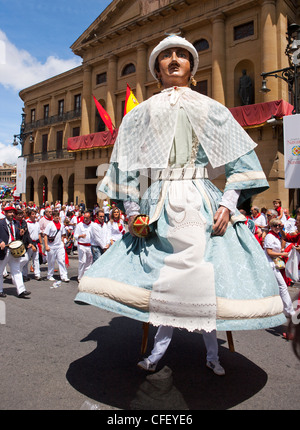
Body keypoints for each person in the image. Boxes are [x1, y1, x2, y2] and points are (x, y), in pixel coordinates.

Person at [75, 35, 286, 375]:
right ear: (157, 70)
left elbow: (242, 164)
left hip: (201, 198)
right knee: (165, 282)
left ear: (191, 67)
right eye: (166, 56)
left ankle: (212, 354)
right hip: (157, 201)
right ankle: (159, 352)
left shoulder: (212, 109)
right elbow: (124, 168)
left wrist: (228, 204)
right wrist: (132, 213)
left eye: (182, 55)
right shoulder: (138, 115)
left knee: (202, 280)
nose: (174, 59)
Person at [263, 218, 294, 318]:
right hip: (270, 264)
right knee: (282, 286)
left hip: (273, 264)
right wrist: (282, 253)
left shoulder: (276, 235)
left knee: (276, 287)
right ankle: (289, 310)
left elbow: (287, 237)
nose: (277, 227)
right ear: (271, 227)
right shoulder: (270, 236)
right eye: (275, 225)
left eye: (279, 225)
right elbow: (269, 252)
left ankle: (281, 309)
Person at [0, 206, 31, 298]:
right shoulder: (1, 223)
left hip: (14, 250)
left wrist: (20, 234)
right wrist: (0, 241)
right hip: (4, 250)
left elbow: (17, 236)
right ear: (5, 213)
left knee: (17, 270)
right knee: (0, 271)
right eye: (9, 212)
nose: (12, 214)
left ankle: (21, 290)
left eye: (13, 212)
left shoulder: (16, 223)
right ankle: (0, 290)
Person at [44, 210, 69, 282]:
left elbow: (62, 235)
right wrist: (46, 246)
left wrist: (63, 243)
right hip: (51, 245)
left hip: (59, 245)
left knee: (61, 260)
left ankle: (64, 276)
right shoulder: (50, 225)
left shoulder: (61, 225)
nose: (57, 218)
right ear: (53, 217)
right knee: (51, 261)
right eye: (55, 216)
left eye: (58, 216)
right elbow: (45, 235)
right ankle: (50, 275)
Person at [21, 209, 42, 281]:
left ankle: (37, 274)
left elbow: (39, 233)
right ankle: (24, 274)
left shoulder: (37, 223)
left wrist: (40, 243)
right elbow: (26, 235)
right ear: (29, 215)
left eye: (35, 214)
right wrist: (30, 244)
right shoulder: (27, 223)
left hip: (36, 243)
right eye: (32, 214)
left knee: (36, 259)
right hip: (29, 244)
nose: (34, 216)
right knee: (26, 260)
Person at [74, 211, 93, 282]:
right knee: (82, 261)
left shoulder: (93, 225)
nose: (85, 219)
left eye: (87, 218)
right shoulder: (79, 225)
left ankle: (86, 276)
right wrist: (80, 236)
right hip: (82, 245)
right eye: (84, 218)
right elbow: (75, 235)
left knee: (89, 262)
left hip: (90, 246)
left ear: (90, 218)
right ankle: (80, 277)